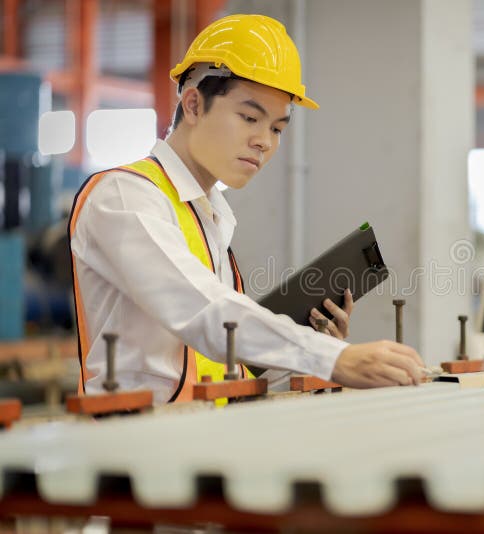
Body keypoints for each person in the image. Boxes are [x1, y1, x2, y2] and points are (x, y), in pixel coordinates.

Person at [68, 14, 424, 403]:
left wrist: (306, 357)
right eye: (250, 118)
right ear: (193, 104)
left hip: (198, 437)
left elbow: (221, 369)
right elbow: (204, 311)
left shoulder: (210, 217)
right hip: (130, 442)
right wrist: (332, 357)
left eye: (276, 129)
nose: (264, 142)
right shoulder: (124, 197)